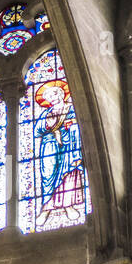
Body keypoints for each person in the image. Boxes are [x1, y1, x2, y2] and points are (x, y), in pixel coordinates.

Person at [33, 80, 85, 228]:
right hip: (49, 146)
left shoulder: (71, 108)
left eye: (55, 93)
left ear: (62, 94)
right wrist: (48, 126)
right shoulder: (46, 113)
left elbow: (79, 123)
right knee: (48, 175)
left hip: (69, 146)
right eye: (49, 96)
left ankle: (68, 205)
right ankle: (46, 208)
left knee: (69, 174)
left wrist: (71, 126)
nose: (52, 97)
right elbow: (37, 130)